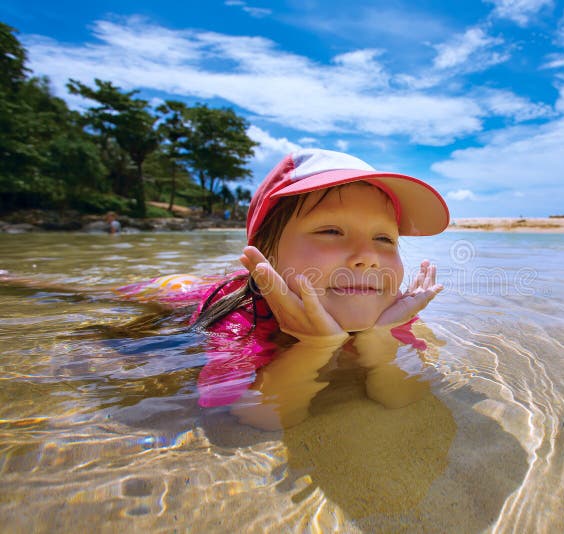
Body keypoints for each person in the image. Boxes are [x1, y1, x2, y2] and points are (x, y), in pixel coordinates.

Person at [184, 148, 448, 428]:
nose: (369, 257)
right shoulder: (240, 320)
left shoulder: (389, 309)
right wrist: (314, 347)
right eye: (331, 231)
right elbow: (252, 416)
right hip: (199, 292)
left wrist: (380, 337)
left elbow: (401, 395)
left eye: (383, 238)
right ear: (264, 252)